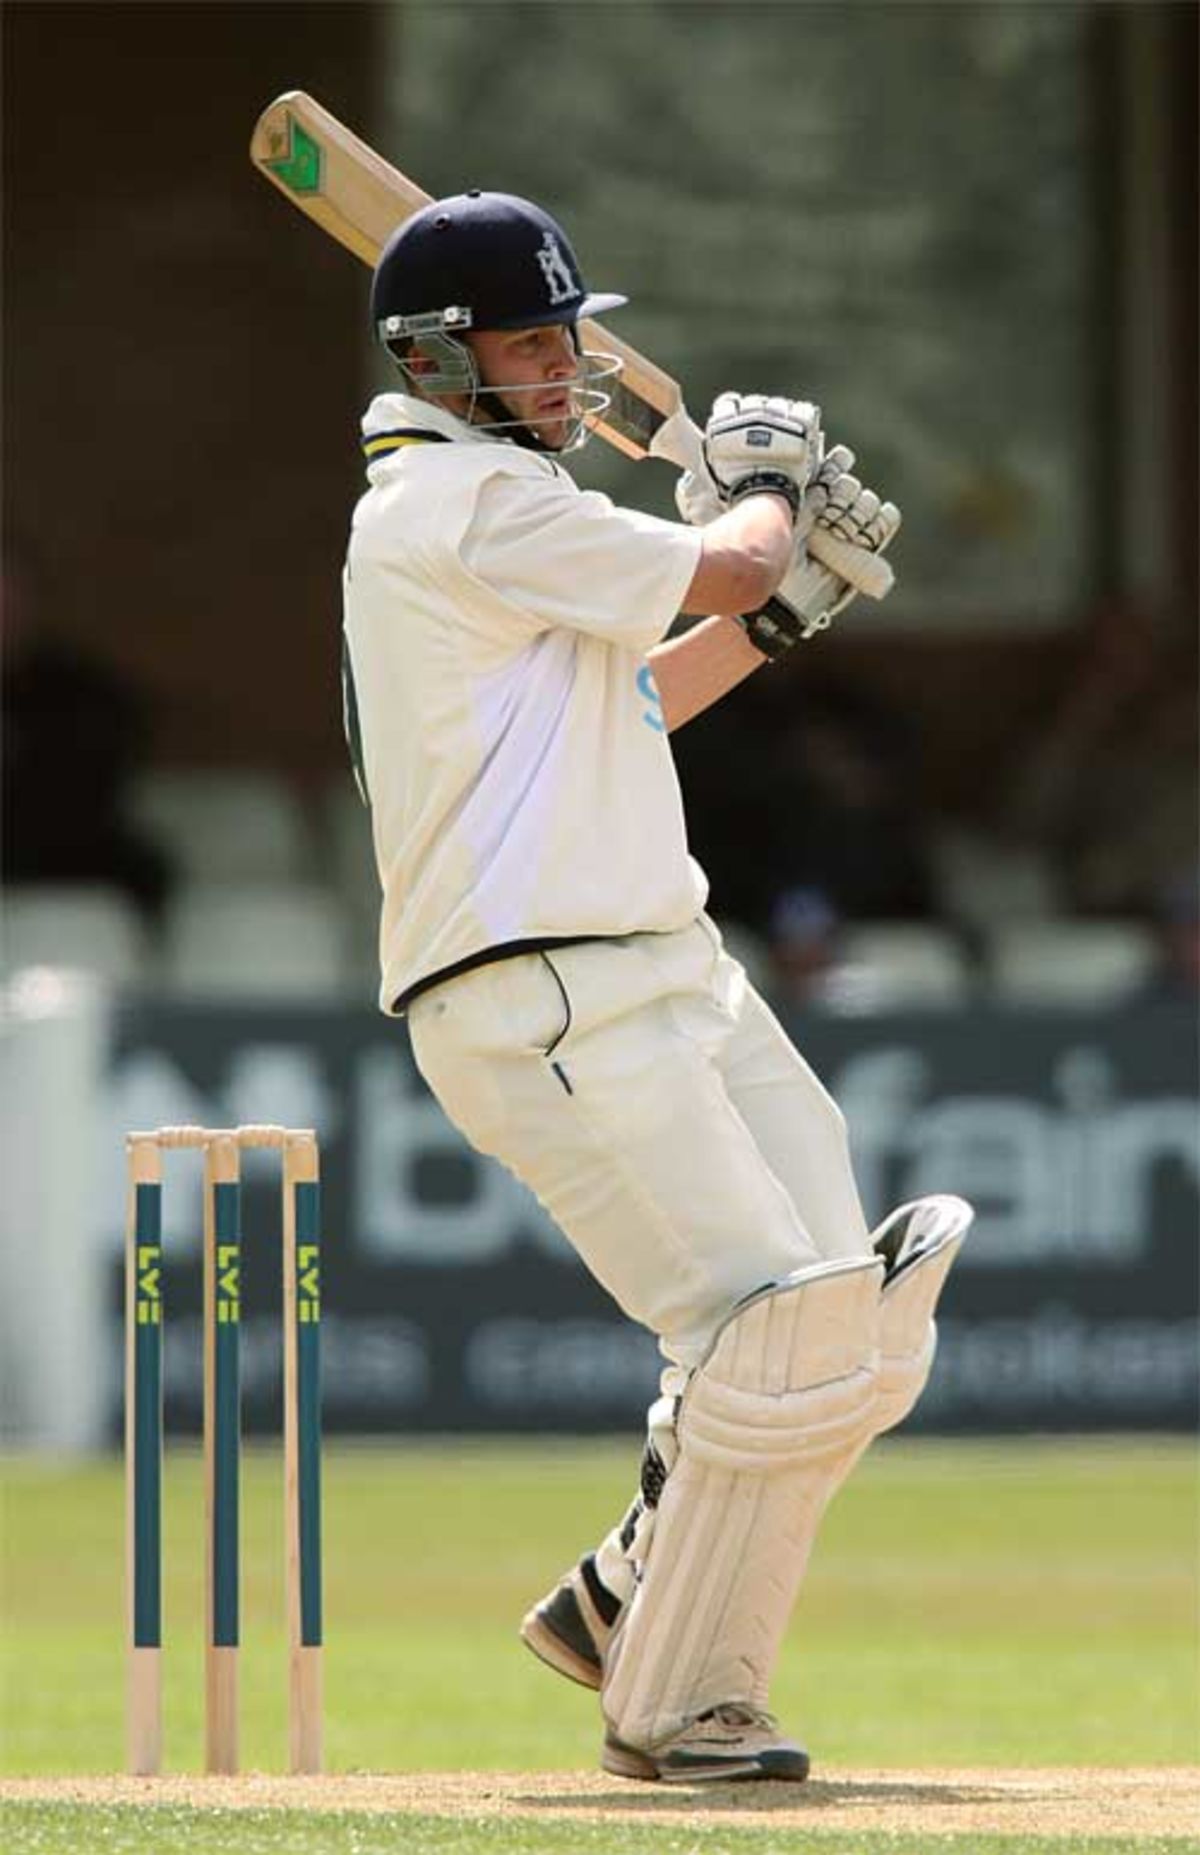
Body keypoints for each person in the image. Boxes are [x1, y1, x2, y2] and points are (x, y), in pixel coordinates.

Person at [341, 190, 972, 1783]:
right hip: (545, 992)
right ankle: (678, 1703)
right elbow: (706, 563)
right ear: (436, 356)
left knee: (853, 1314)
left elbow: (632, 697)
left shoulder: (511, 517)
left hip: (664, 964)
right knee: (767, 1326)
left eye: (568, 339)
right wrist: (759, 496)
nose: (563, 371)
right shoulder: (454, 502)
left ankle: (632, 1588)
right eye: (534, 343)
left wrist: (785, 593)